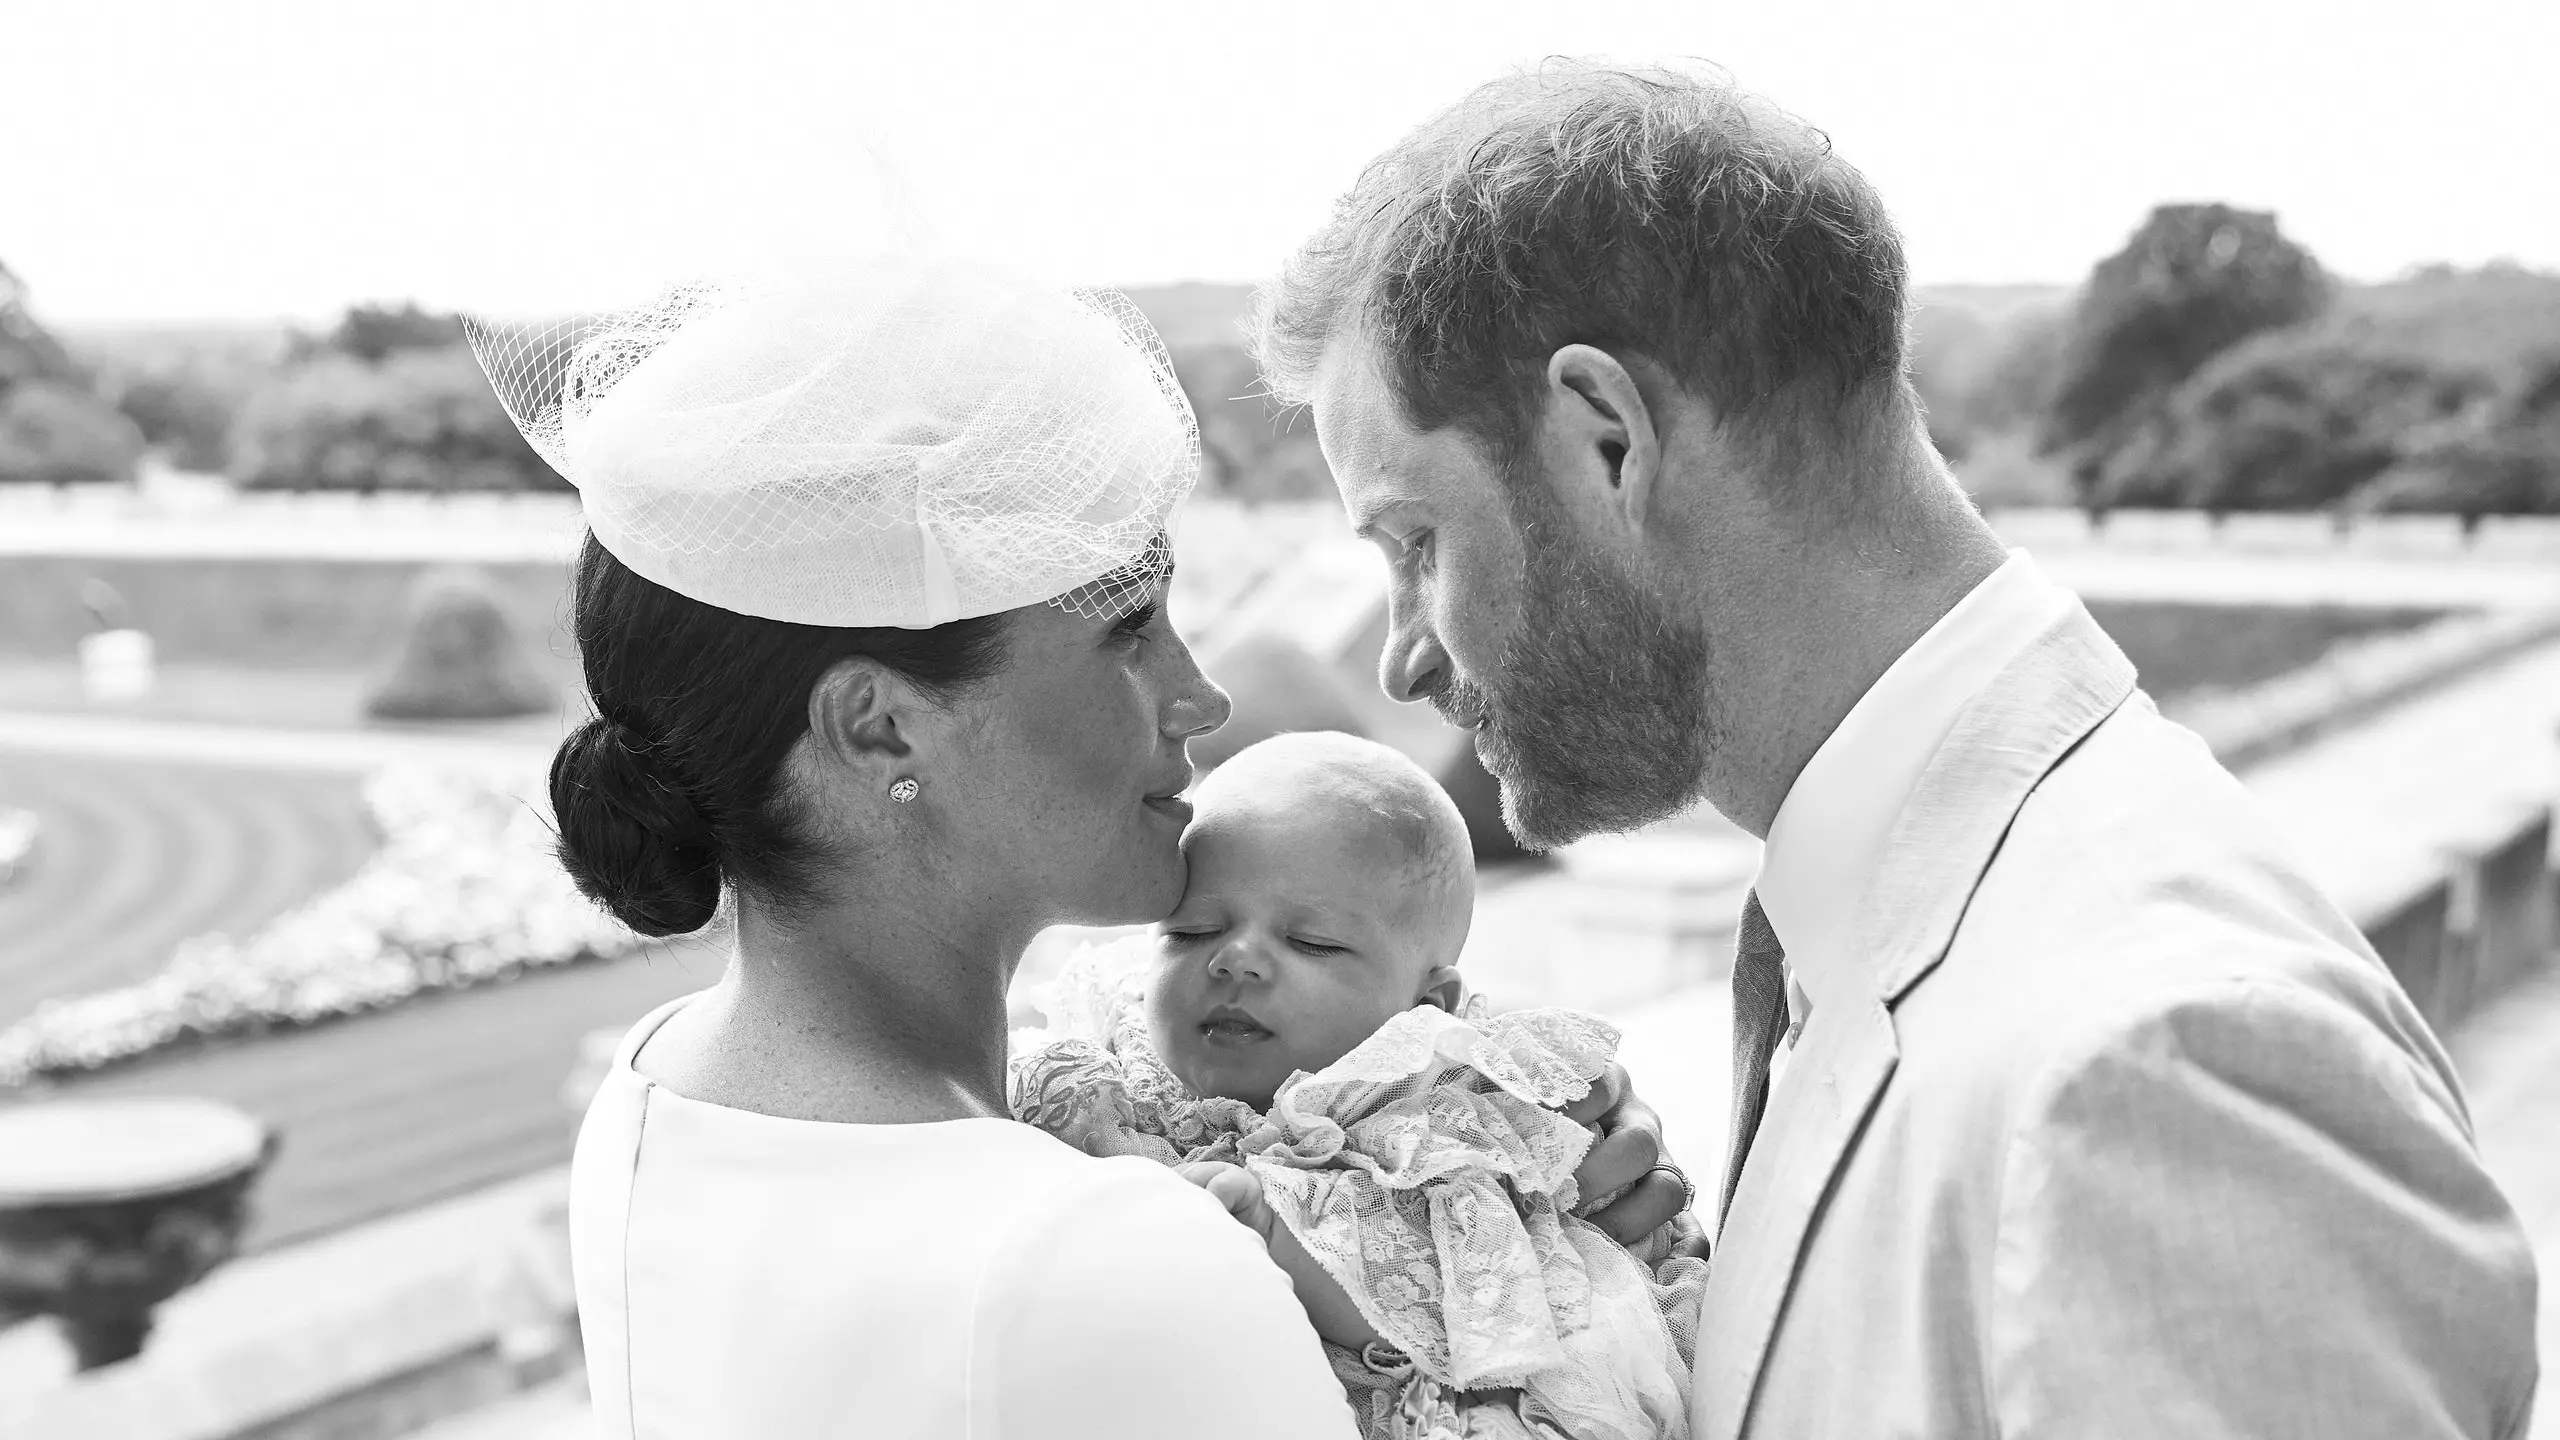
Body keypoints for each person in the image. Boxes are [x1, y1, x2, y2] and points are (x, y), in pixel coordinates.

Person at [1255, 60, 2541, 1440]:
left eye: (1414, 542)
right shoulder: (1930, 920)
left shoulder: (2159, 1060)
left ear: (1606, 442)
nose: (1401, 653)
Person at [467, 258, 1691, 1440]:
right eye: (1127, 633)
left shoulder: (660, 1087)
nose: (1199, 695)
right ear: (880, 723)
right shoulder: (1127, 1258)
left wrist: (1461, 1158)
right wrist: (1553, 1300)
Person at [1011, 731, 1705, 1438]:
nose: (1236, 959)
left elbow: (1444, 1297)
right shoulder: (1103, 1073)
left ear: (1425, 1010)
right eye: (1190, 931)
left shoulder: (1432, 1125)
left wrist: (1273, 1237)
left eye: (1312, 942)